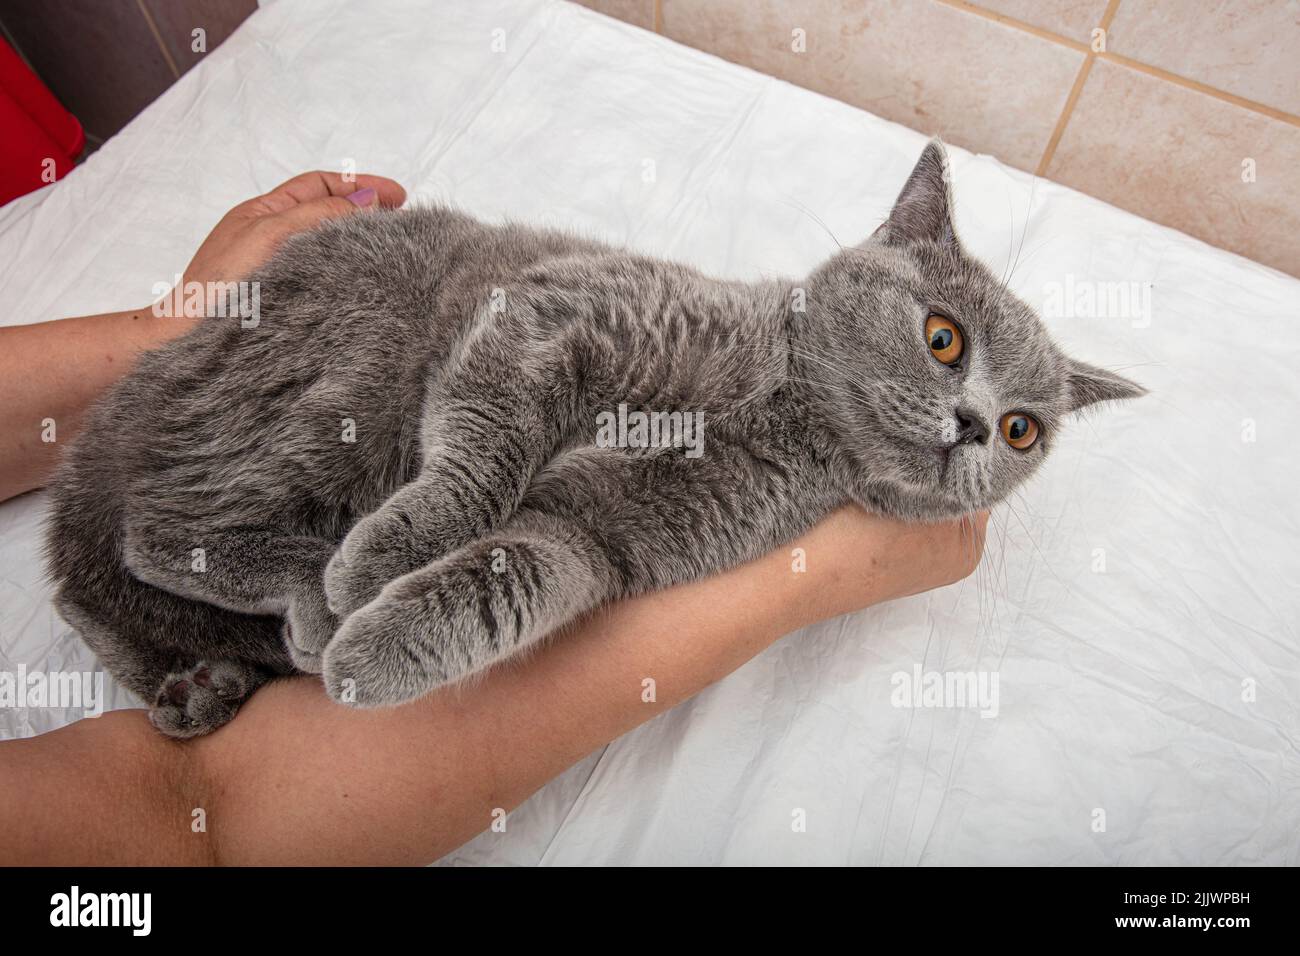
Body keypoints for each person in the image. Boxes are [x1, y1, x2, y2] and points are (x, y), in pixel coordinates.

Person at [0, 172, 988, 865]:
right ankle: (190, 541)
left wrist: (166, 330)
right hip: (411, 333)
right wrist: (804, 574)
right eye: (940, 341)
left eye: (1013, 427)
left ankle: (167, 569)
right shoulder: (734, 342)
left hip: (274, 402)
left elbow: (589, 533)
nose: (973, 422)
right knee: (368, 386)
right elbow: (198, 825)